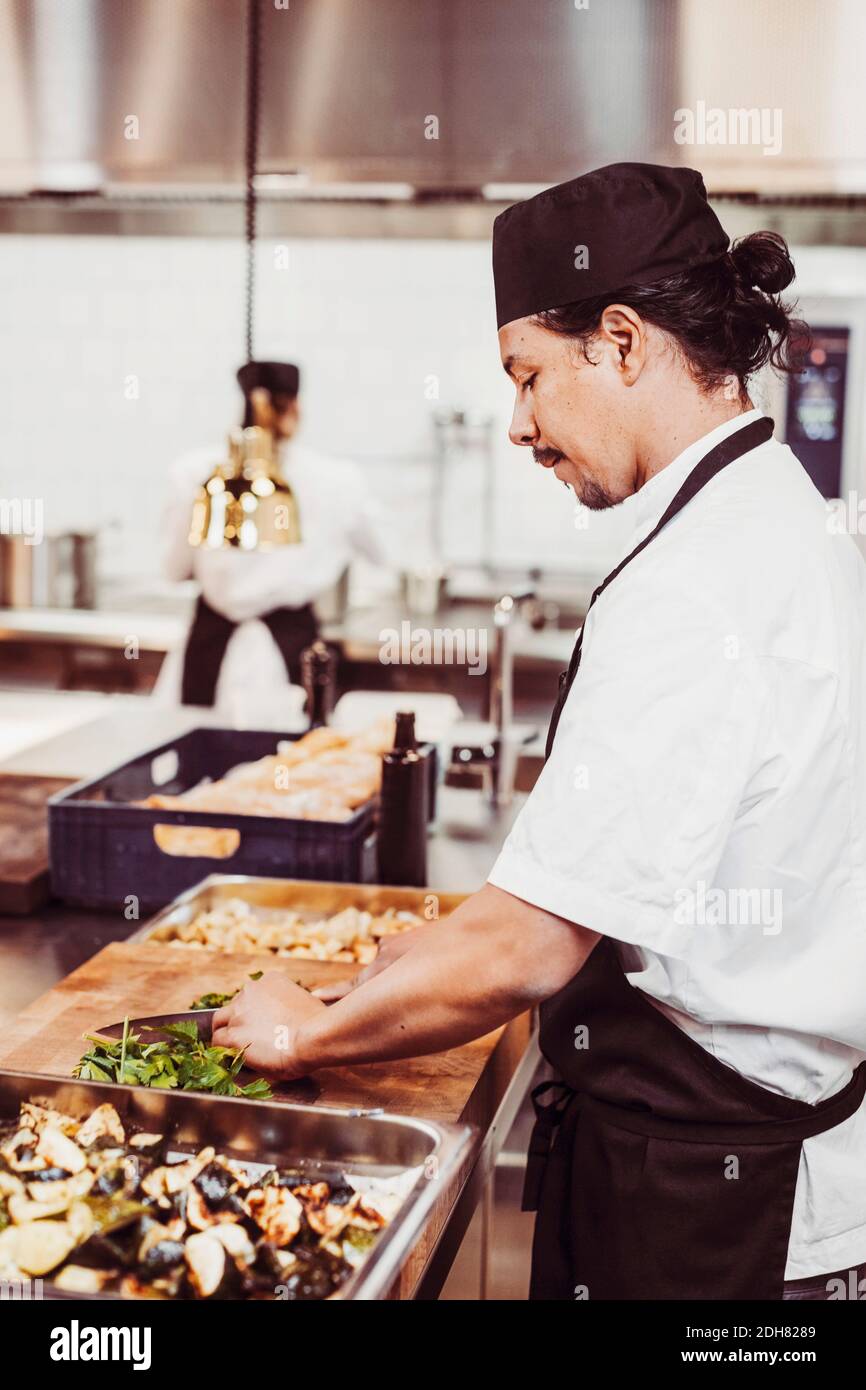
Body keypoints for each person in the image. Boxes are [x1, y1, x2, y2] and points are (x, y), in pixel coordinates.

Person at [214, 164, 866, 1301]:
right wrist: (444, 938)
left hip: (714, 1218)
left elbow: (529, 950)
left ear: (619, 342)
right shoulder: (773, 519)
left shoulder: (699, 584)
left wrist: (302, 1036)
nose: (519, 424)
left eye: (526, 376)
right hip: (741, 1169)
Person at [155, 360, 386, 717]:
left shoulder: (196, 473)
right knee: (286, 763)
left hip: (209, 654)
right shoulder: (338, 480)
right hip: (288, 656)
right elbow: (383, 555)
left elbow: (173, 570)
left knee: (198, 763)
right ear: (296, 406)